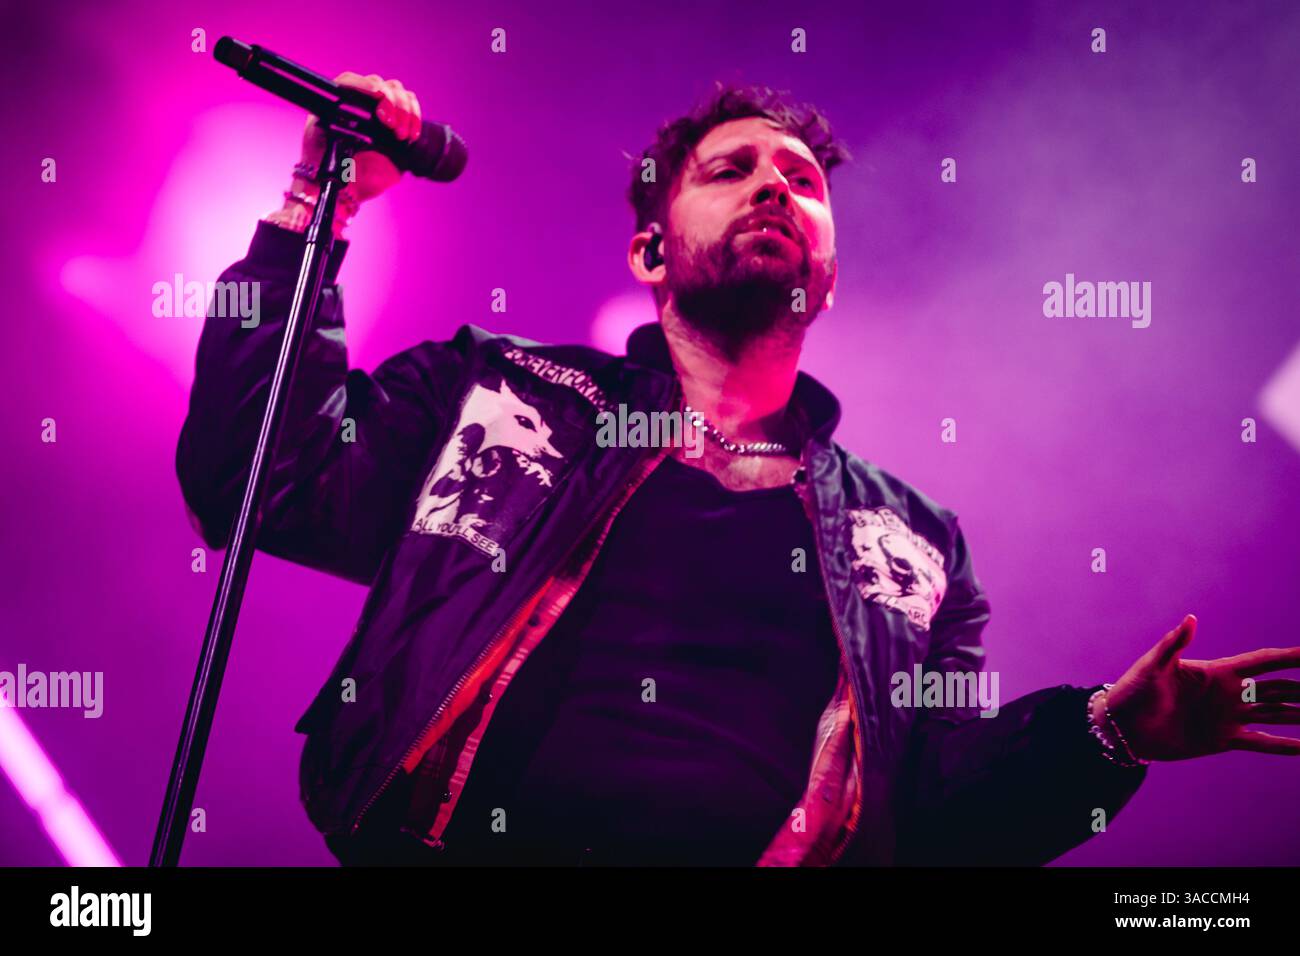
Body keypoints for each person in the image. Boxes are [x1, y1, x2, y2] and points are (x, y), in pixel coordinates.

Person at [177, 76, 1300, 867]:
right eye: (732, 169)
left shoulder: (911, 543)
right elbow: (257, 472)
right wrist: (310, 207)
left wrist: (1104, 732)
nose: (776, 187)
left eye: (803, 180)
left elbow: (929, 808)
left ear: (829, 268)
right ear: (650, 250)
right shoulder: (497, 390)